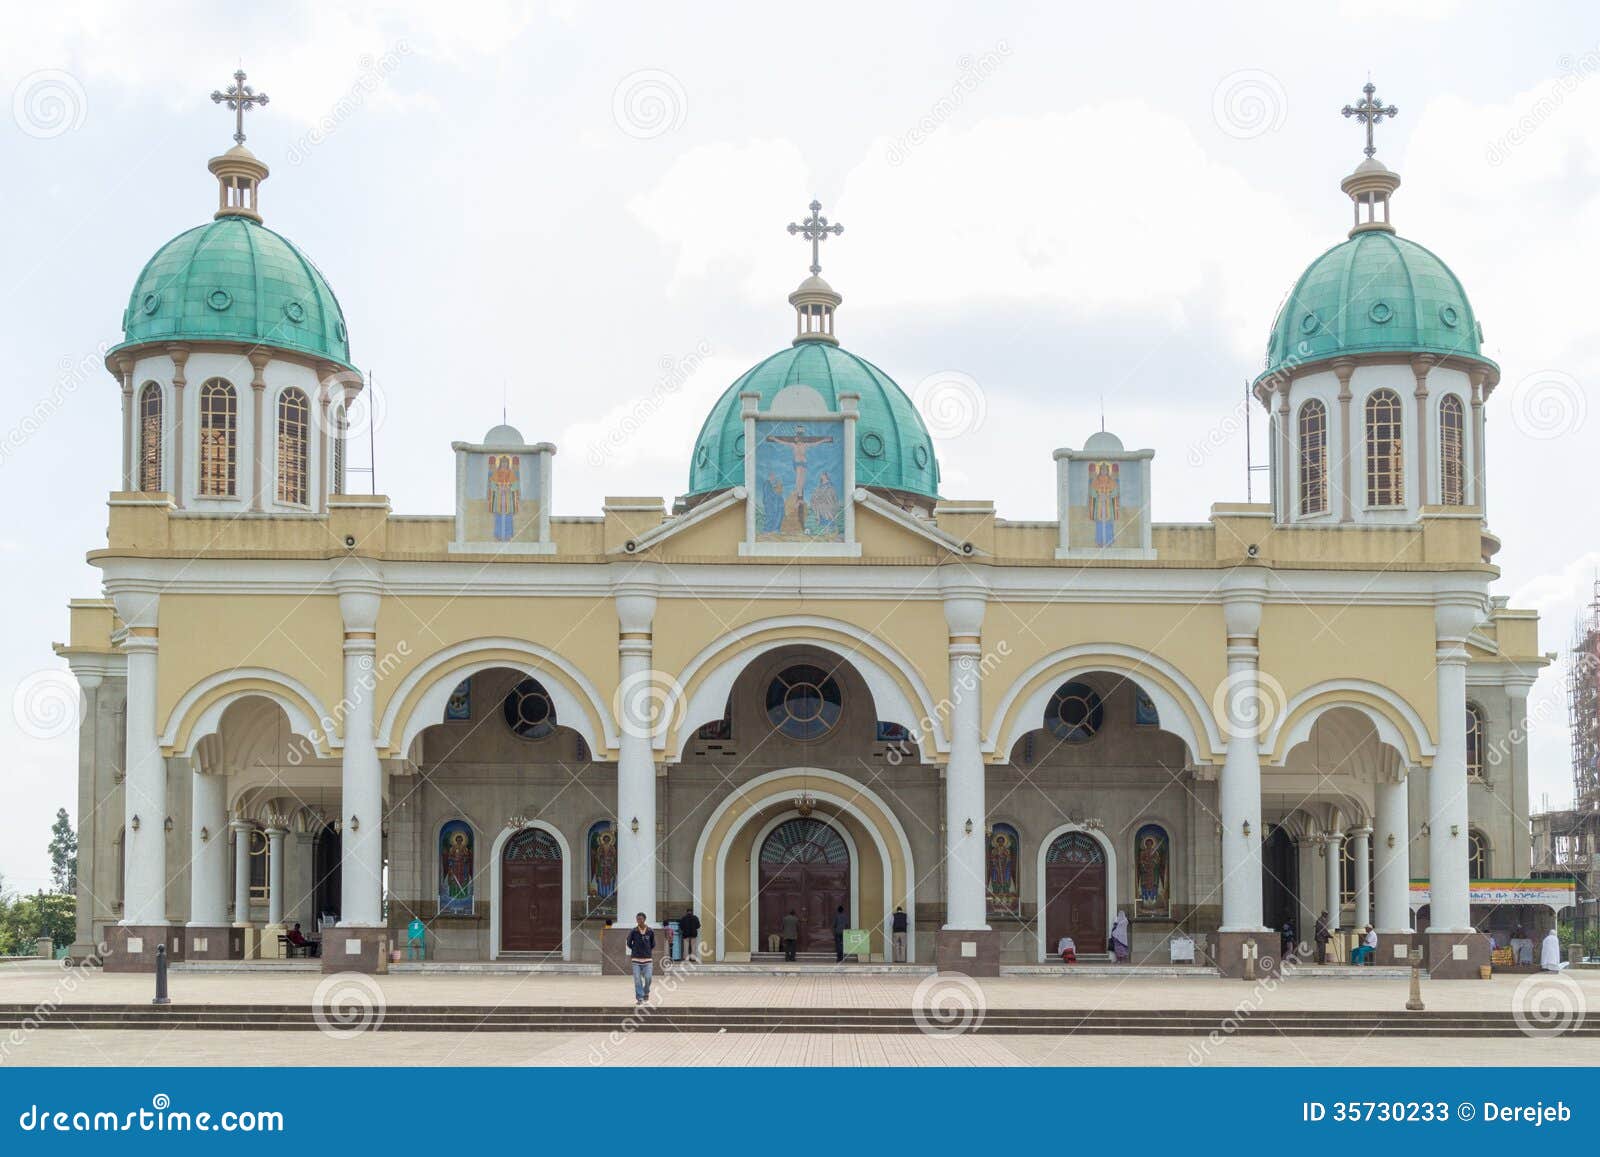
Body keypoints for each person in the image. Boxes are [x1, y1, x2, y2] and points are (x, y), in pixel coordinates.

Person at [626, 912, 655, 1004]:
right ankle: (640, 998)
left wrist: (647, 950)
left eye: (641, 919)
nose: (639, 920)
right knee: (637, 980)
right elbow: (629, 943)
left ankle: (646, 992)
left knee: (648, 978)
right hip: (636, 960)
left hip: (647, 960)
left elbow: (653, 944)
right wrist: (635, 949)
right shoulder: (633, 931)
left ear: (644, 919)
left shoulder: (650, 931)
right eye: (638, 919)